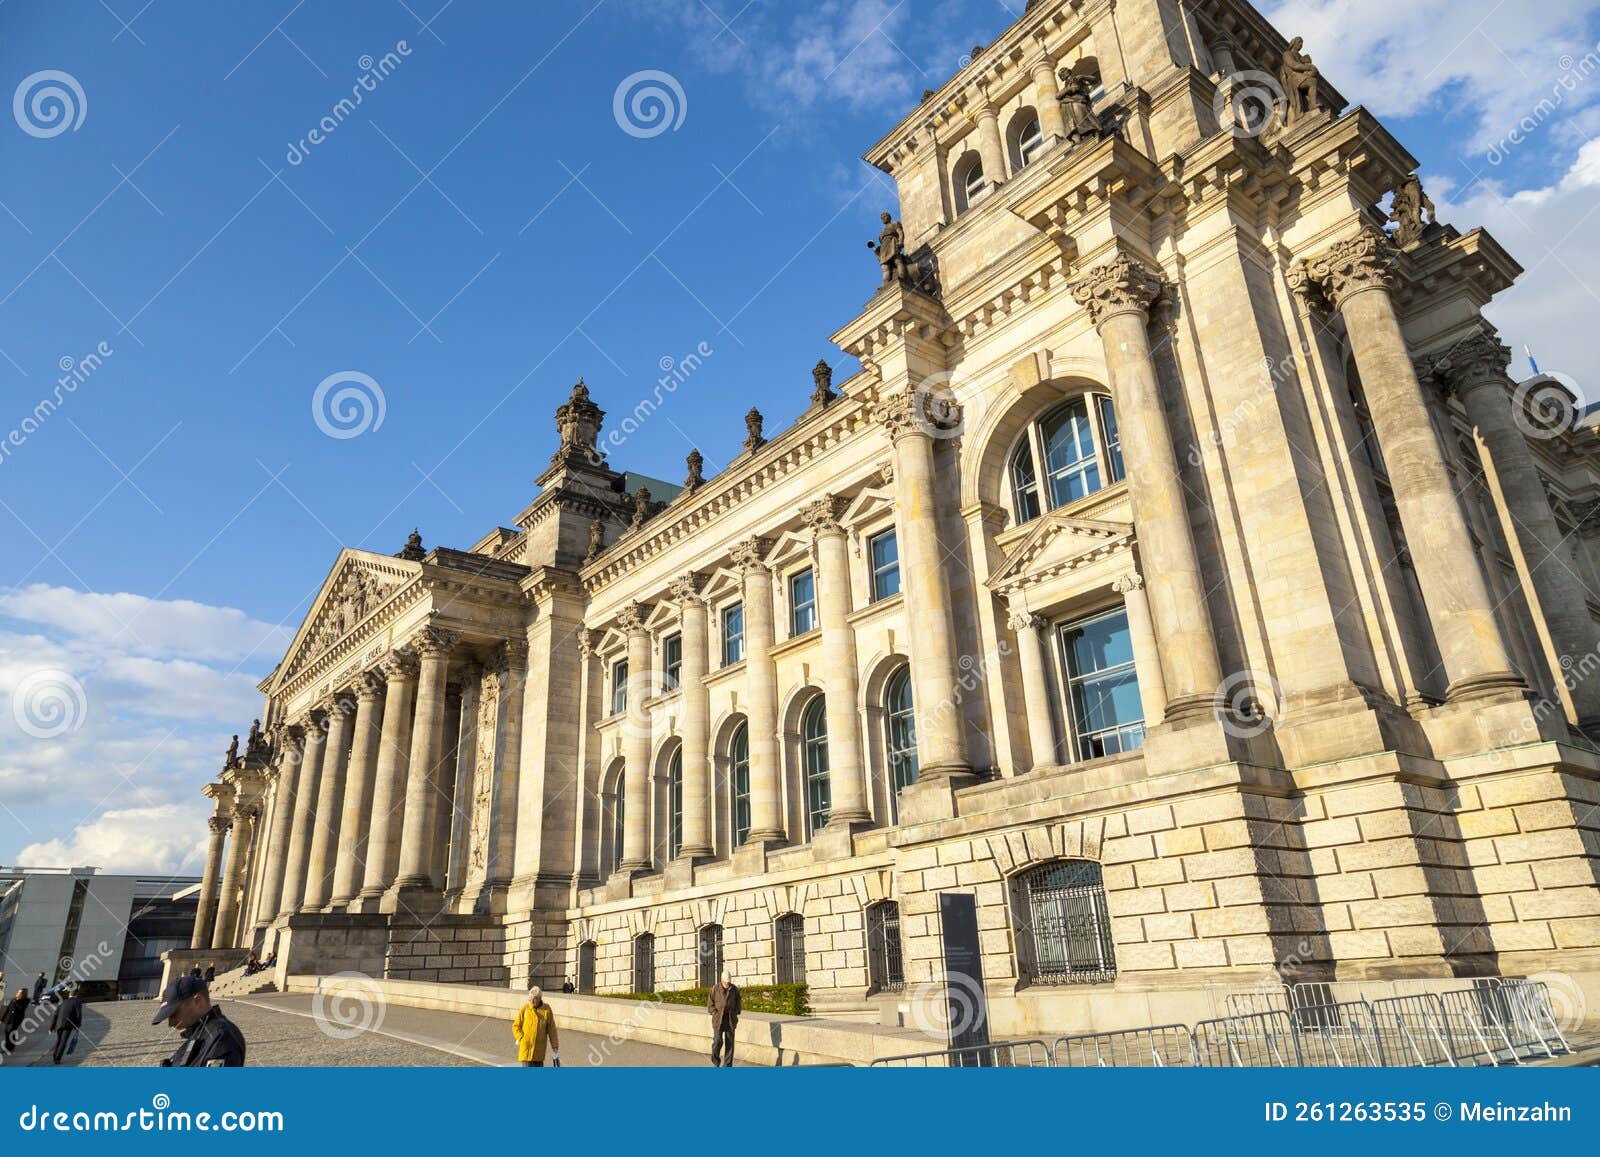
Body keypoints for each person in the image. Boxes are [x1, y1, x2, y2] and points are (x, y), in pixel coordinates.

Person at [152, 975, 246, 1067]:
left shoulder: (221, 1038)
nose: (171, 1023)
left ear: (198, 1001)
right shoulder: (201, 1033)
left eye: (174, 1013)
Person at [511, 986, 559, 1068]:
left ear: (540, 998)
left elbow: (552, 1030)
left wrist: (554, 1046)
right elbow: (515, 1026)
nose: (532, 1000)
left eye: (535, 998)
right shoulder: (525, 1009)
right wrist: (521, 1038)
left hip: (539, 1052)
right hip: (526, 1050)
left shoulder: (546, 1010)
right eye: (530, 998)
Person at [707, 969, 741, 1068]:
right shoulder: (715, 989)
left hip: (730, 1019)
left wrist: (736, 1012)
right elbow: (710, 1004)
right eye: (726, 981)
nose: (727, 983)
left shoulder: (734, 989)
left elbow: (738, 1002)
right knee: (717, 1041)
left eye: (729, 981)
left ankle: (728, 1065)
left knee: (730, 1043)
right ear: (721, 979)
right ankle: (715, 1061)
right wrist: (714, 1013)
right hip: (718, 1019)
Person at [50, 985, 84, 1064]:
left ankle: (55, 1055)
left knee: (58, 1040)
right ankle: (57, 1059)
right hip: (68, 1024)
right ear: (76, 994)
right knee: (63, 1041)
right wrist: (78, 1025)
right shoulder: (77, 1002)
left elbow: (55, 1014)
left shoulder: (62, 1002)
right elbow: (78, 1014)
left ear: (69, 994)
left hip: (59, 1023)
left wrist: (51, 1027)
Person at [3, 988, 30, 1058]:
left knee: (11, 1032)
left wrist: (16, 1001)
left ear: (22, 994)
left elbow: (20, 1008)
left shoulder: (25, 1001)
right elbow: (8, 1009)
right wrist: (2, 1018)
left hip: (16, 1020)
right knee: (7, 1032)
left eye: (19, 993)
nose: (17, 993)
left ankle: (9, 1048)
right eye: (17, 992)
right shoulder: (14, 999)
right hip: (9, 1018)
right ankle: (9, 1046)